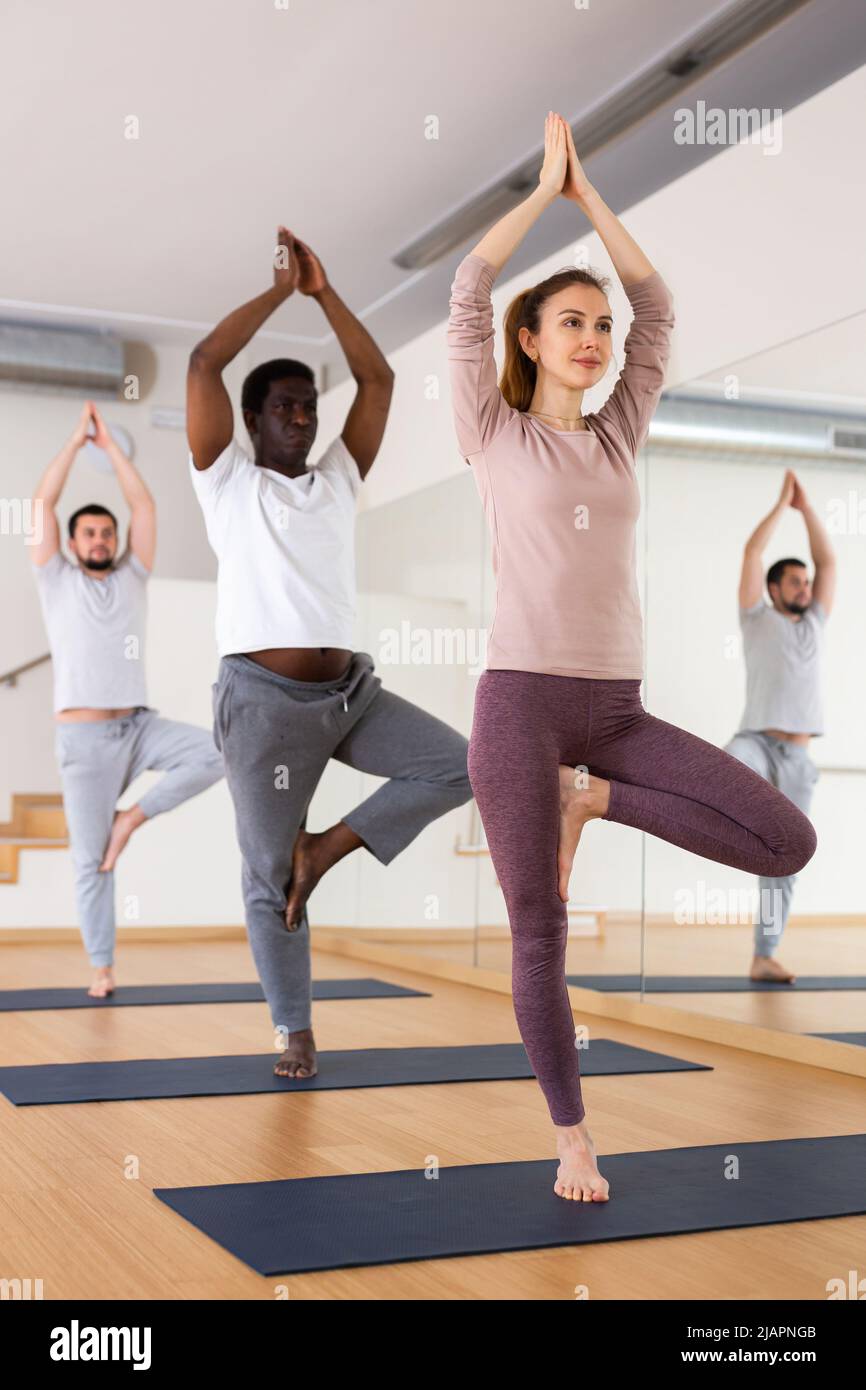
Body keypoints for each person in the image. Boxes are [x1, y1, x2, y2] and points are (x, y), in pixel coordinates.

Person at [447, 112, 817, 1203]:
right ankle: (570, 1136)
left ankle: (592, 801)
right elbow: (465, 293)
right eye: (571, 322)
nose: (596, 339)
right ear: (529, 339)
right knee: (538, 930)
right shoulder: (489, 429)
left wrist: (591, 200)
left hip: (616, 714)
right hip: (519, 706)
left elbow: (655, 307)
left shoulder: (614, 433)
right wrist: (540, 191)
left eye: (598, 328)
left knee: (784, 840)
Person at [186, 227, 473, 1081]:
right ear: (253, 420)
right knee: (268, 878)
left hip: (350, 692)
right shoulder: (226, 480)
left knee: (461, 766)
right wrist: (281, 291)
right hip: (265, 707)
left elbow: (378, 378)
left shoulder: (339, 478)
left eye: (310, 405)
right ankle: (293, 1027)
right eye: (285, 406)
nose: (304, 418)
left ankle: (329, 847)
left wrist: (326, 295)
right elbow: (203, 362)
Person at [30, 402, 224, 997]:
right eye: (89, 532)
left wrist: (112, 448)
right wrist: (74, 440)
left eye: (106, 532)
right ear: (72, 541)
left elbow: (145, 506)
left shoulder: (132, 576)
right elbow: (43, 503)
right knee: (90, 862)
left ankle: (130, 820)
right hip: (84, 742)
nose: (100, 538)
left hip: (138, 727)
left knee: (219, 751)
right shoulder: (55, 579)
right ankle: (102, 966)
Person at [724, 469, 834, 982]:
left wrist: (807, 510)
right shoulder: (756, 618)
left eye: (808, 582)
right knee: (724, 769)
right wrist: (779, 505)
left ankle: (763, 954)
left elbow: (829, 560)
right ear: (773, 588)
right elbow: (750, 552)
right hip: (757, 742)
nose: (806, 587)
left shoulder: (814, 624)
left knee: (785, 860)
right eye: (796, 581)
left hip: (798, 759)